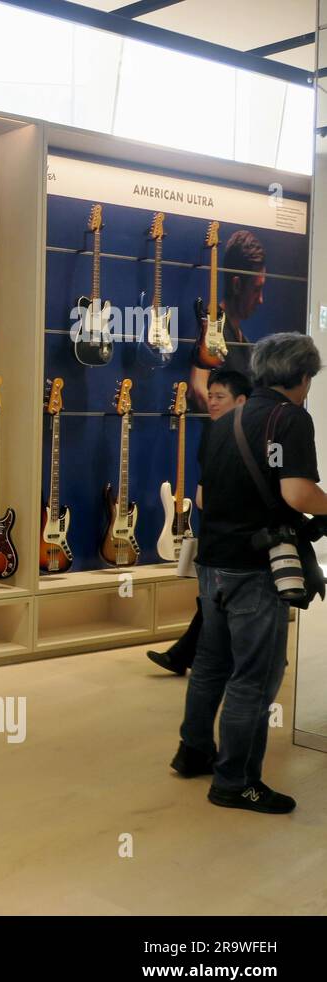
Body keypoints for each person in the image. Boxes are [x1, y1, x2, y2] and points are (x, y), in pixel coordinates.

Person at [172, 333, 327, 814]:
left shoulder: (223, 421)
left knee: (212, 665)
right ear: (301, 377)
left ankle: (194, 749)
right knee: (255, 678)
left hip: (213, 562)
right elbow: (299, 494)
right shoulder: (290, 419)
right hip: (256, 568)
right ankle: (235, 781)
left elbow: (201, 499)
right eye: (310, 380)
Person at [147, 367, 252, 674]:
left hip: (233, 532)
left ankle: (186, 655)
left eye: (220, 396)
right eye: (210, 396)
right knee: (214, 598)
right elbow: (204, 490)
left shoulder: (251, 434)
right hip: (216, 528)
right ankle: (187, 655)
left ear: (241, 400)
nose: (212, 402)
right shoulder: (212, 432)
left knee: (217, 598)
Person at [187, 230, 266, 410]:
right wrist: (232, 425)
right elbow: (197, 389)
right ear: (237, 285)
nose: (260, 299)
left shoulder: (242, 340)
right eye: (256, 289)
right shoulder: (213, 327)